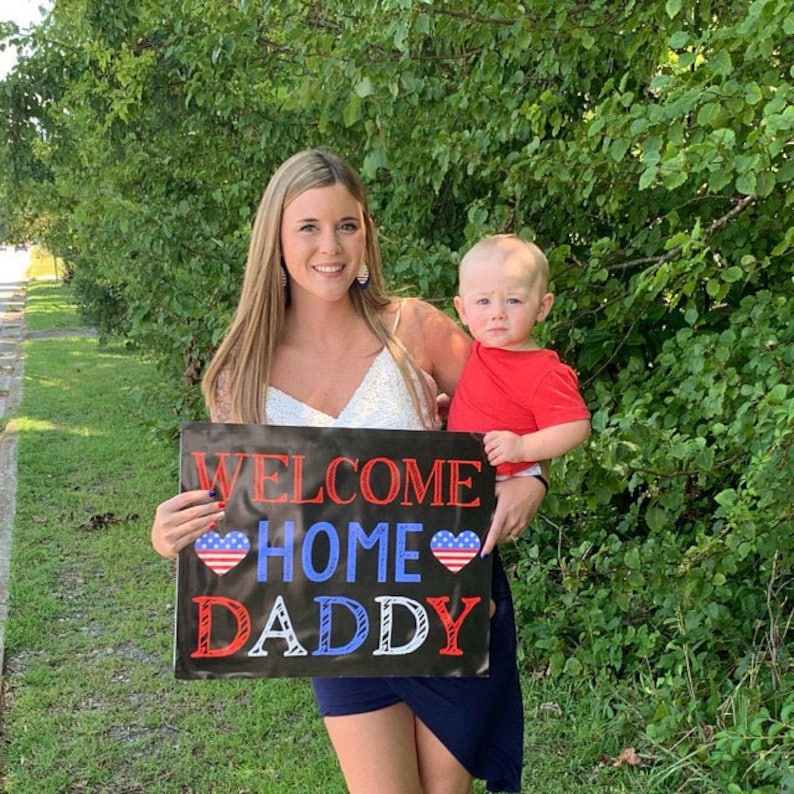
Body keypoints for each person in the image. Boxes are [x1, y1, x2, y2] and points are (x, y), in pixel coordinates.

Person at [151, 150, 547, 794]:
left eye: (347, 225)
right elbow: (240, 520)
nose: (330, 246)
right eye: (308, 226)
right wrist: (173, 538)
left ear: (366, 233)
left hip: (446, 601)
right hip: (335, 619)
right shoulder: (240, 371)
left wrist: (530, 477)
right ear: (275, 240)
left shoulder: (413, 328)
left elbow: (519, 402)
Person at [448, 234, 591, 495]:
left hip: (503, 481)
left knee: (472, 536)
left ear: (542, 307)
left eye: (513, 300)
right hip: (464, 475)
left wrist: (524, 447)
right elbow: (493, 398)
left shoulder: (543, 372)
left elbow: (575, 427)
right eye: (483, 301)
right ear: (463, 310)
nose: (497, 313)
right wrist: (455, 407)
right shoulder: (481, 350)